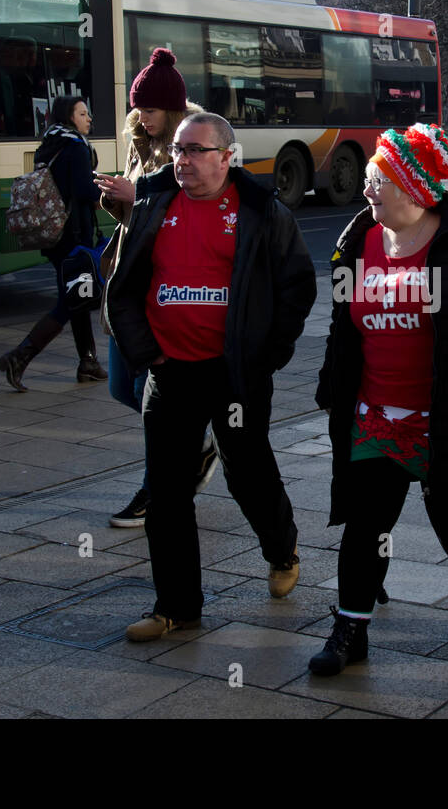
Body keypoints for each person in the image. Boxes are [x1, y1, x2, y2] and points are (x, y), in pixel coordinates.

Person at [307, 124, 448, 676]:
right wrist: (333, 385)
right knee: (367, 523)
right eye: (367, 179)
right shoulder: (356, 240)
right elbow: (345, 324)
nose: (367, 191)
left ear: (412, 188)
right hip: (374, 413)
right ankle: (350, 626)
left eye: (376, 181)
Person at [106, 111, 316, 640]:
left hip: (234, 374)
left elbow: (297, 287)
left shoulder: (261, 210)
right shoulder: (152, 203)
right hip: (169, 371)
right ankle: (175, 607)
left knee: (248, 472)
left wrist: (264, 355)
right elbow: (123, 286)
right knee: (167, 492)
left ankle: (281, 546)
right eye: (179, 149)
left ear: (227, 157)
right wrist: (143, 352)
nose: (184, 160)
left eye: (197, 151)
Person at [95, 49, 216, 528]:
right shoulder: (138, 145)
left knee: (153, 401)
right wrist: (117, 201)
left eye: (149, 110)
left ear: (172, 109)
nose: (141, 118)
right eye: (137, 109)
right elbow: (138, 221)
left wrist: (139, 194)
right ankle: (199, 445)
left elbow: (192, 213)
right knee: (121, 387)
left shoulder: (193, 145)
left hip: (168, 290)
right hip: (131, 282)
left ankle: (156, 489)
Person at [0, 95, 107, 390]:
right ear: (70, 117)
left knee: (77, 298)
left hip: (55, 235)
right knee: (70, 302)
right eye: (83, 113)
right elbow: (82, 190)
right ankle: (20, 356)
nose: (89, 119)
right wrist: (103, 195)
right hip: (75, 238)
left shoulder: (50, 144)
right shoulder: (76, 147)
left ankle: (89, 362)